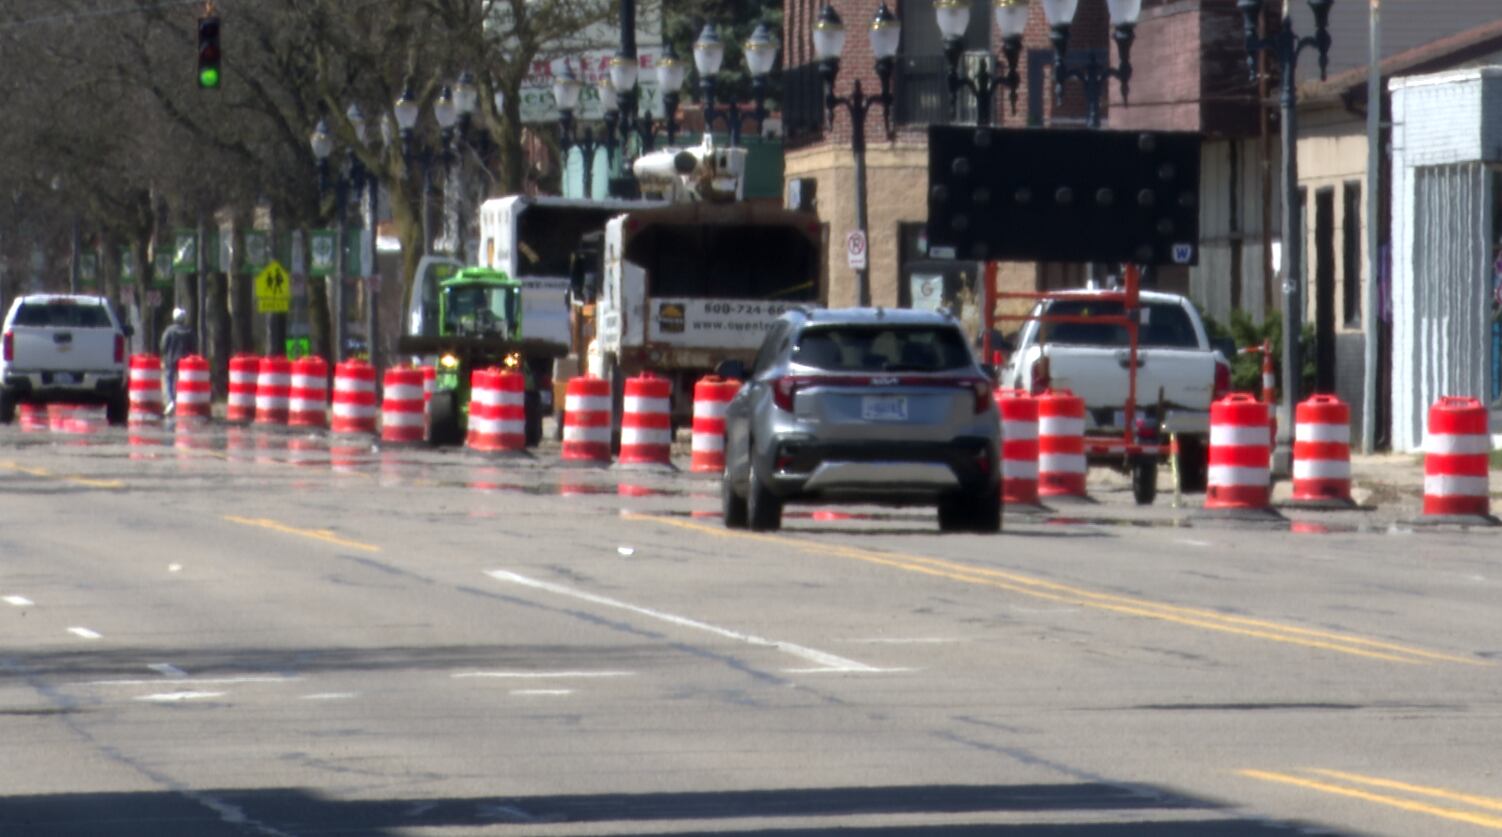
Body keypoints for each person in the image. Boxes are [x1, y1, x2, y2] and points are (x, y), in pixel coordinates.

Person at [159, 308, 195, 414]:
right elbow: (193, 346)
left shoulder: (169, 331)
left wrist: (164, 356)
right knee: (183, 382)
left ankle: (170, 401)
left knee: (169, 381)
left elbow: (163, 345)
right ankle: (182, 401)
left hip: (170, 360)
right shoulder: (189, 331)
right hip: (185, 361)